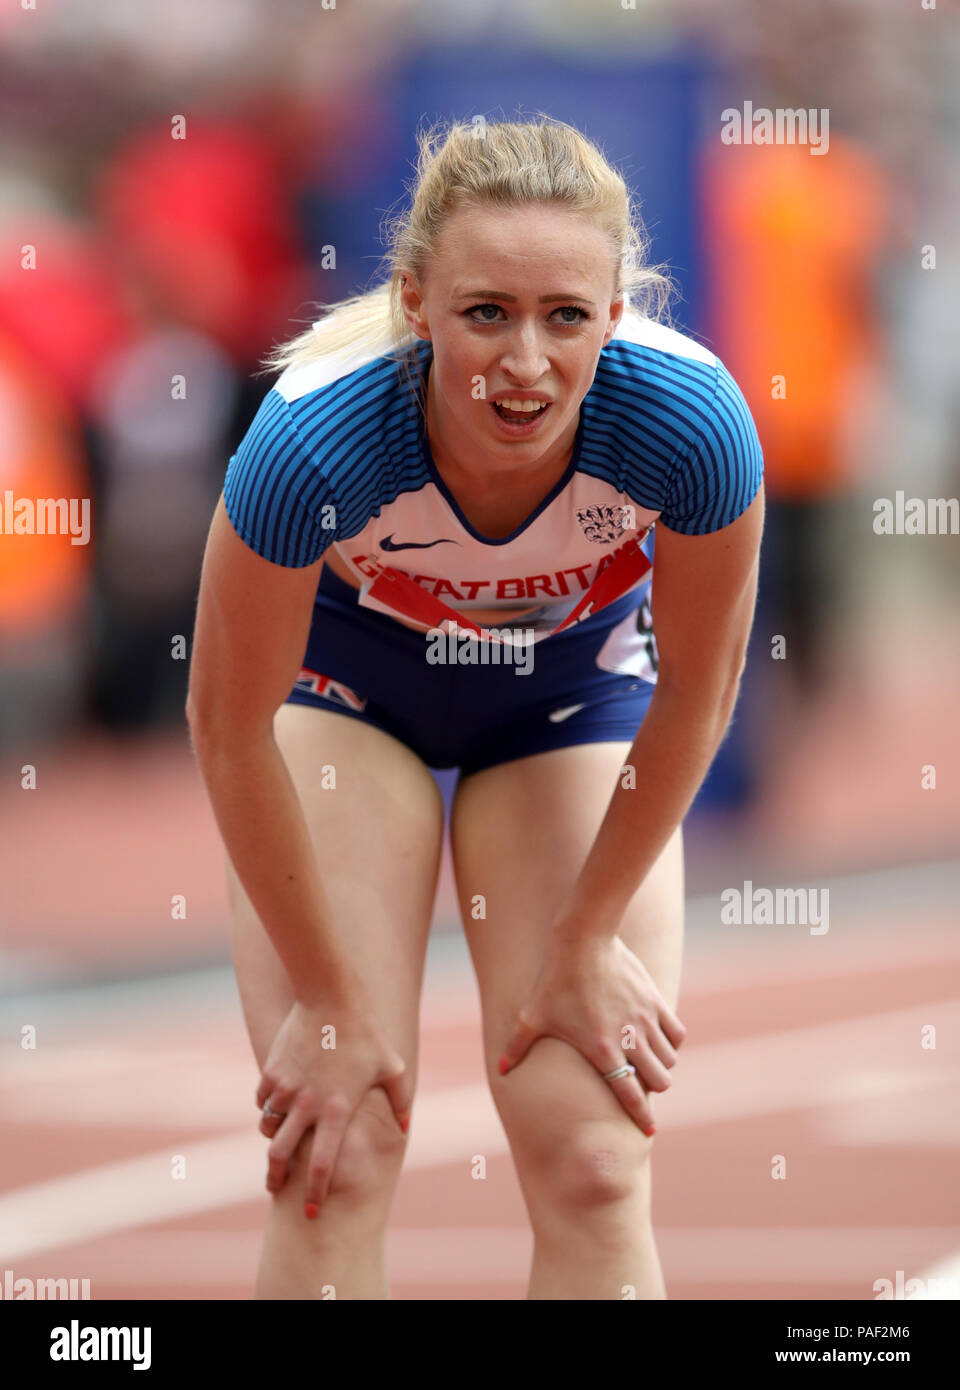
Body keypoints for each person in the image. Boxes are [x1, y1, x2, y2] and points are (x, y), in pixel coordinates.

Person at [186, 115, 765, 1300]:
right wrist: (334, 1000)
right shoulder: (312, 444)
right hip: (347, 697)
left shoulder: (691, 428)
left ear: (617, 315)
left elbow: (699, 699)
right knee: (335, 1152)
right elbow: (225, 725)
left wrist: (586, 934)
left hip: (565, 703)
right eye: (485, 312)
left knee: (598, 1160)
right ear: (415, 305)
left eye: (565, 316)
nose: (526, 364)